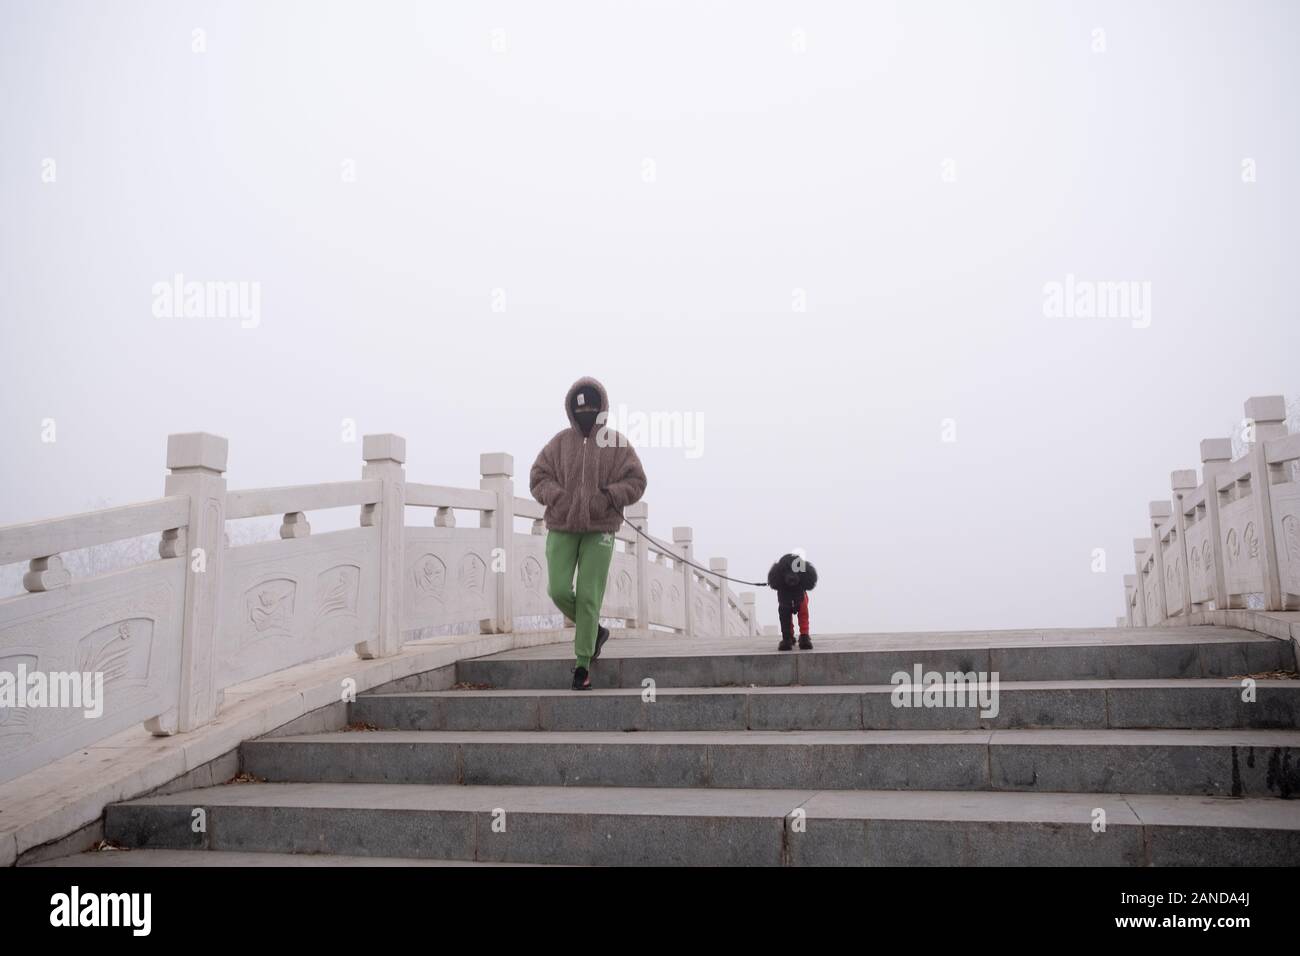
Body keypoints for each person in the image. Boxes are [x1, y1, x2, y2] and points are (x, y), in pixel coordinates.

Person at [530, 376, 647, 689]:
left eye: (592, 406)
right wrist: (556, 495)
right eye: (581, 406)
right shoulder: (558, 443)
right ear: (571, 408)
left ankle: (582, 665)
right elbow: (538, 477)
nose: (586, 411)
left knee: (587, 595)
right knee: (557, 589)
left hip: (600, 529)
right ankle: (595, 631)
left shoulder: (616, 444)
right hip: (561, 525)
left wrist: (610, 494)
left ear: (602, 408)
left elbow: (637, 481)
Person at [767, 552, 818, 650]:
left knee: (803, 615)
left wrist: (804, 634)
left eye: (796, 571)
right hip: (784, 595)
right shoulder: (781, 595)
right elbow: (784, 617)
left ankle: (804, 637)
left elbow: (804, 616)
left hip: (799, 594)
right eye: (787, 572)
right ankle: (787, 637)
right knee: (785, 615)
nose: (791, 576)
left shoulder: (803, 595)